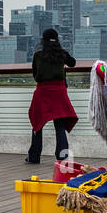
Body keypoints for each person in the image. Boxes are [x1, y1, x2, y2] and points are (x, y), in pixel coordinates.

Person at [26, 28, 77, 164]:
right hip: (59, 92)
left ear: (43, 40)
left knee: (37, 123)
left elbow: (35, 75)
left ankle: (34, 156)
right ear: (57, 40)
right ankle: (62, 156)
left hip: (42, 91)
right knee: (60, 125)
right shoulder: (62, 54)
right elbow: (73, 63)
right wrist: (63, 54)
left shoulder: (38, 55)